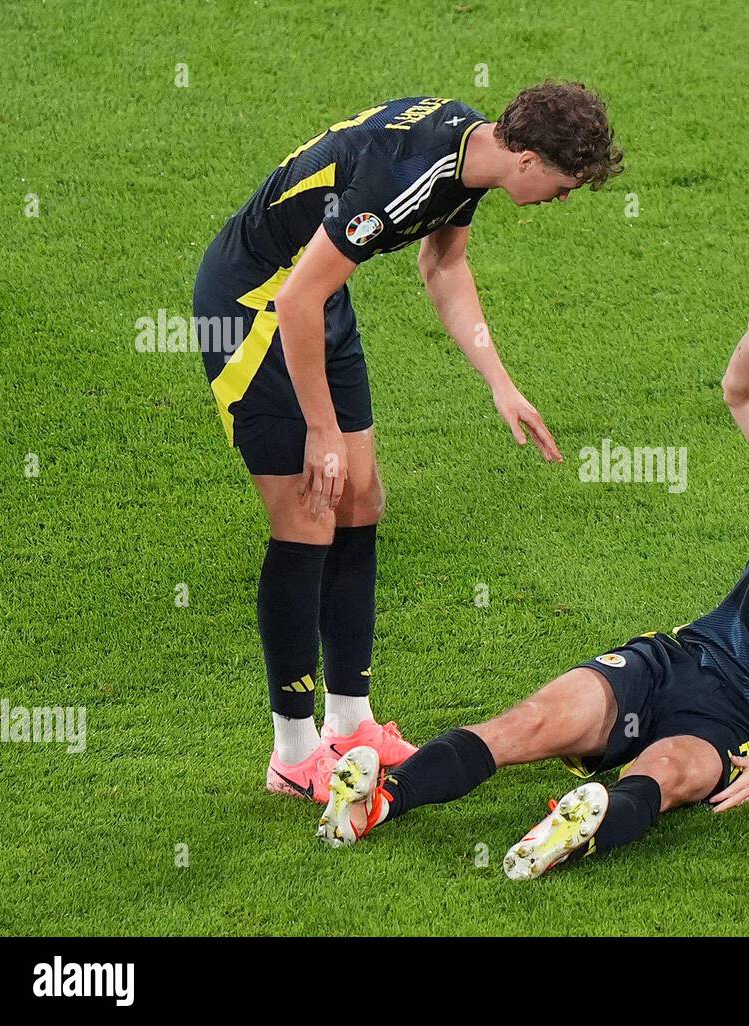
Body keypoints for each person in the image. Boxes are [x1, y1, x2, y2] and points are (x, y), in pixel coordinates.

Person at [316, 279, 749, 880]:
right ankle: (379, 802)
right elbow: (747, 395)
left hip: (741, 726)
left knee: (667, 773)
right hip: (674, 660)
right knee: (532, 722)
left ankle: (578, 825)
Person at [193, 83, 622, 801]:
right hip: (255, 304)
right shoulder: (401, 179)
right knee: (307, 512)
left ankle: (352, 724)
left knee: (361, 501)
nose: (563, 198)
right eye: (562, 184)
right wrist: (322, 433)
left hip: (315, 297)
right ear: (524, 160)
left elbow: (444, 267)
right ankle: (293, 753)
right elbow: (293, 298)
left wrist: (499, 380)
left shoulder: (471, 157)